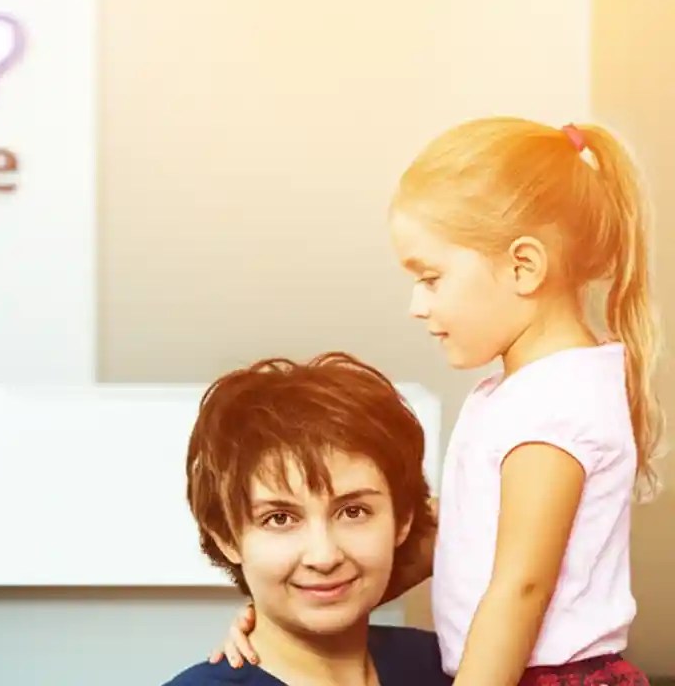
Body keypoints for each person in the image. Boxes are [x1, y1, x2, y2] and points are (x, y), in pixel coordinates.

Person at [213, 117, 660, 685]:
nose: (417, 306)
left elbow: (521, 587)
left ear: (524, 266)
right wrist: (276, 630)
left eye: (430, 278)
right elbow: (457, 542)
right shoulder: (522, 393)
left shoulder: (554, 409)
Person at [165, 352, 449, 685]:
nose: (324, 556)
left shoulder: (450, 665)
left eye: (353, 512)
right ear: (227, 537)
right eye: (280, 519)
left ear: (403, 520)